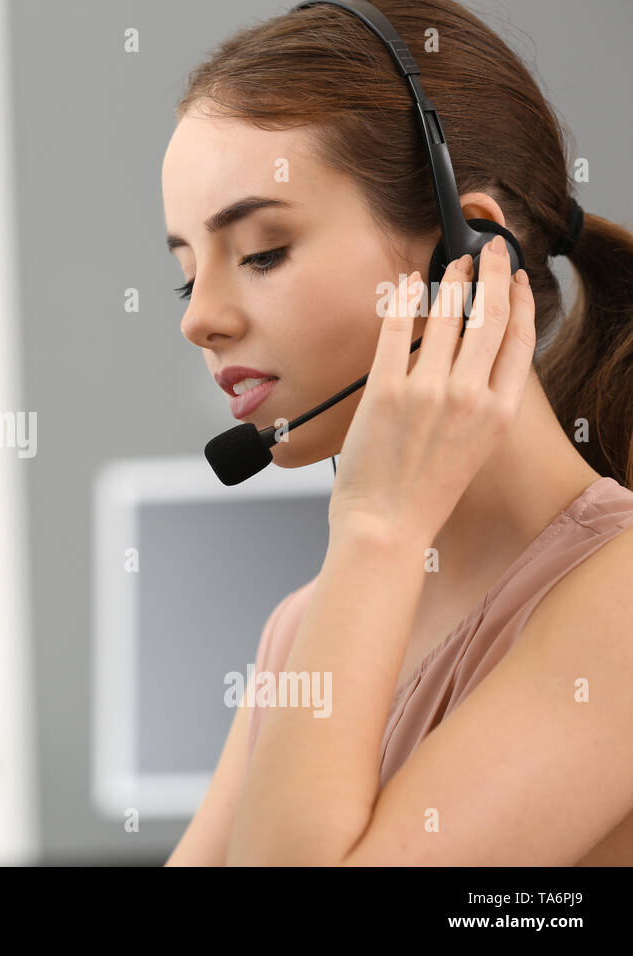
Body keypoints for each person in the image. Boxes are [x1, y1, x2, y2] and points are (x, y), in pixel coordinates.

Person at [162, 0, 633, 865]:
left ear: (470, 250)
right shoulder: (303, 625)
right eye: (185, 278)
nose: (200, 321)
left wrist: (378, 524)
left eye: (262, 252)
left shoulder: (623, 602)